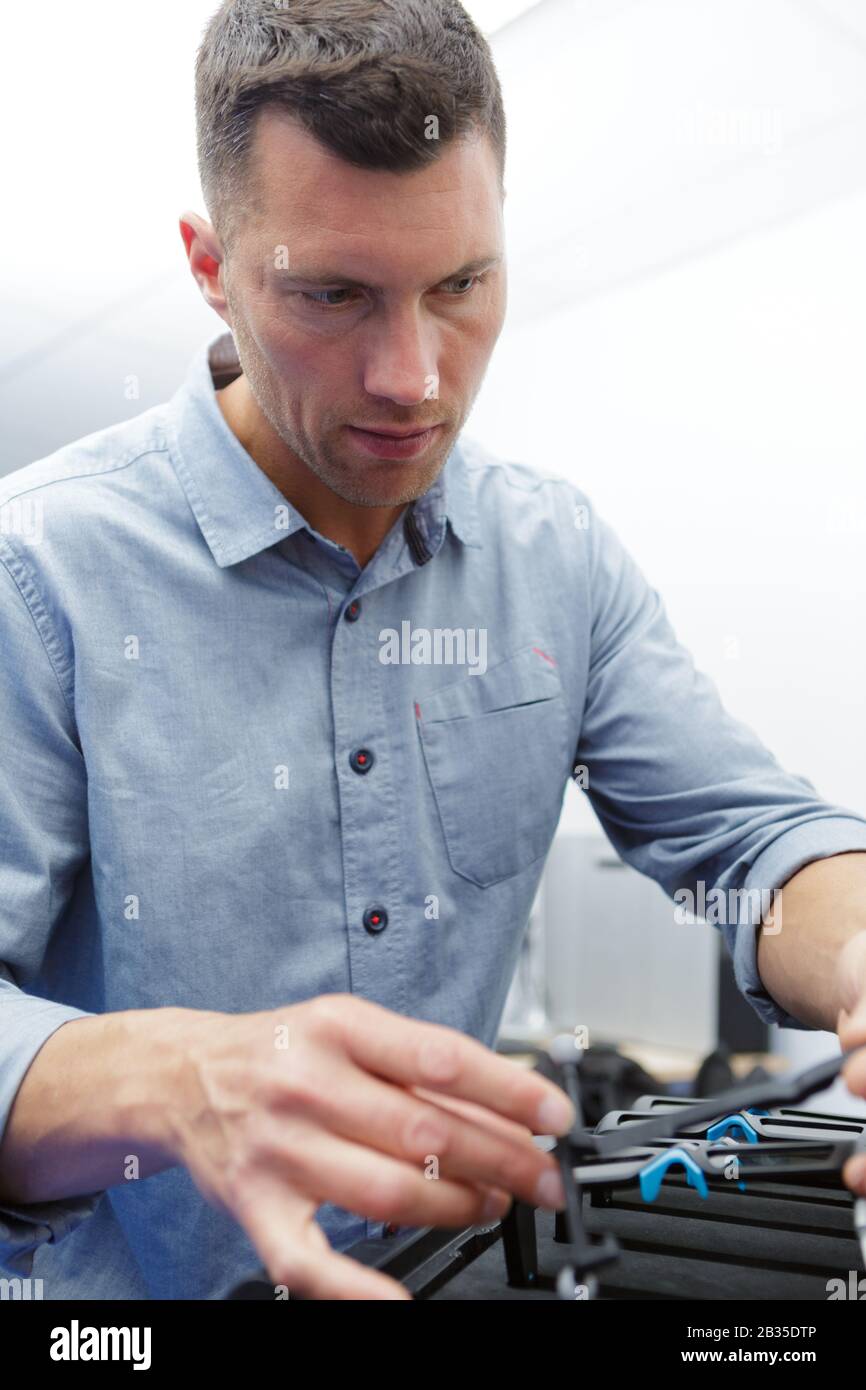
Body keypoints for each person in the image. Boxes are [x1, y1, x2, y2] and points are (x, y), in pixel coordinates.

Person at [1, 0, 866, 1303]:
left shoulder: (554, 558)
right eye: (331, 295)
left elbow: (754, 847)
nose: (411, 377)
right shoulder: (39, 575)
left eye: (459, 285)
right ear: (208, 264)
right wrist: (172, 1079)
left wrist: (853, 952)